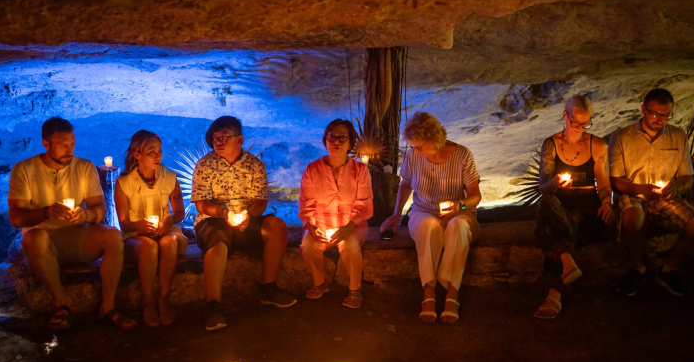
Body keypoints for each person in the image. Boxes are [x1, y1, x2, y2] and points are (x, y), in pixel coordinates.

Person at [7, 117, 136, 330]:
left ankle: (108, 306)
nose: (69, 150)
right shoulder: (24, 170)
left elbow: (99, 209)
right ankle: (61, 305)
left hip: (77, 236)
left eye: (72, 144)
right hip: (45, 242)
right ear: (46, 144)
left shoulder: (84, 167)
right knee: (34, 238)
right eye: (63, 145)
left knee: (112, 235)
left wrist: (84, 216)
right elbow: (16, 218)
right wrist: (46, 212)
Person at [192, 116, 297, 331]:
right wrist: (222, 211)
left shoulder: (254, 165)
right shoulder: (205, 165)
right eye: (215, 138)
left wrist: (248, 216)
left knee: (276, 226)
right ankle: (213, 305)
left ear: (239, 140)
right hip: (214, 220)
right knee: (218, 241)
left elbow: (260, 200)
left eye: (224, 138)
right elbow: (201, 204)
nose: (218, 143)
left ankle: (268, 288)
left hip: (246, 219)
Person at [380, 112, 481, 324]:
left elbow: (475, 195)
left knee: (458, 226)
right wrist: (397, 214)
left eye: (420, 146)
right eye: (414, 147)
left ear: (434, 140)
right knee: (428, 225)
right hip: (423, 210)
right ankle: (429, 290)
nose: (416, 151)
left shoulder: (462, 155)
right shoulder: (414, 156)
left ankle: (452, 291)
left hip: (459, 211)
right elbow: (406, 183)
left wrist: (458, 205)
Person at [609, 88, 694, 296]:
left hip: (666, 196)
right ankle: (638, 269)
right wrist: (641, 189)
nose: (660, 119)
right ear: (643, 110)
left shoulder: (678, 136)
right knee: (632, 218)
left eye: (666, 115)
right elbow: (616, 181)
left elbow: (688, 177)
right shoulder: (621, 136)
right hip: (634, 194)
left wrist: (676, 187)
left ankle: (668, 269)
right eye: (655, 113)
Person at [534, 95, 614, 319]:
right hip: (559, 203)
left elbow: (604, 184)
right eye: (575, 121)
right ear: (564, 116)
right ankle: (567, 261)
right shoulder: (551, 145)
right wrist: (555, 182)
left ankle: (554, 294)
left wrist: (607, 202)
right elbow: (544, 188)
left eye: (585, 123)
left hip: (587, 204)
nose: (579, 127)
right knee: (548, 206)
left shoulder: (596, 144)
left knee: (554, 229)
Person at [114, 130, 187, 327]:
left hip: (166, 230)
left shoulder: (170, 178)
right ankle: (148, 300)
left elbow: (180, 212)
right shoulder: (123, 183)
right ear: (137, 155)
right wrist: (139, 226)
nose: (158, 156)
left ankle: (164, 298)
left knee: (169, 242)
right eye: (151, 152)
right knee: (149, 247)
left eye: (159, 151)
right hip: (136, 236)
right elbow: (123, 223)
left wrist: (168, 221)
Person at [299, 119, 373, 309]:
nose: (337, 142)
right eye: (332, 137)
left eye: (342, 137)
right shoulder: (312, 170)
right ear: (325, 140)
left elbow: (365, 204)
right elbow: (306, 203)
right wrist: (311, 225)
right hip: (322, 226)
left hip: (352, 226)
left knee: (348, 245)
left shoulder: (360, 170)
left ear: (350, 142)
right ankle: (320, 283)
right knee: (308, 244)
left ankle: (355, 289)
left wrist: (350, 226)